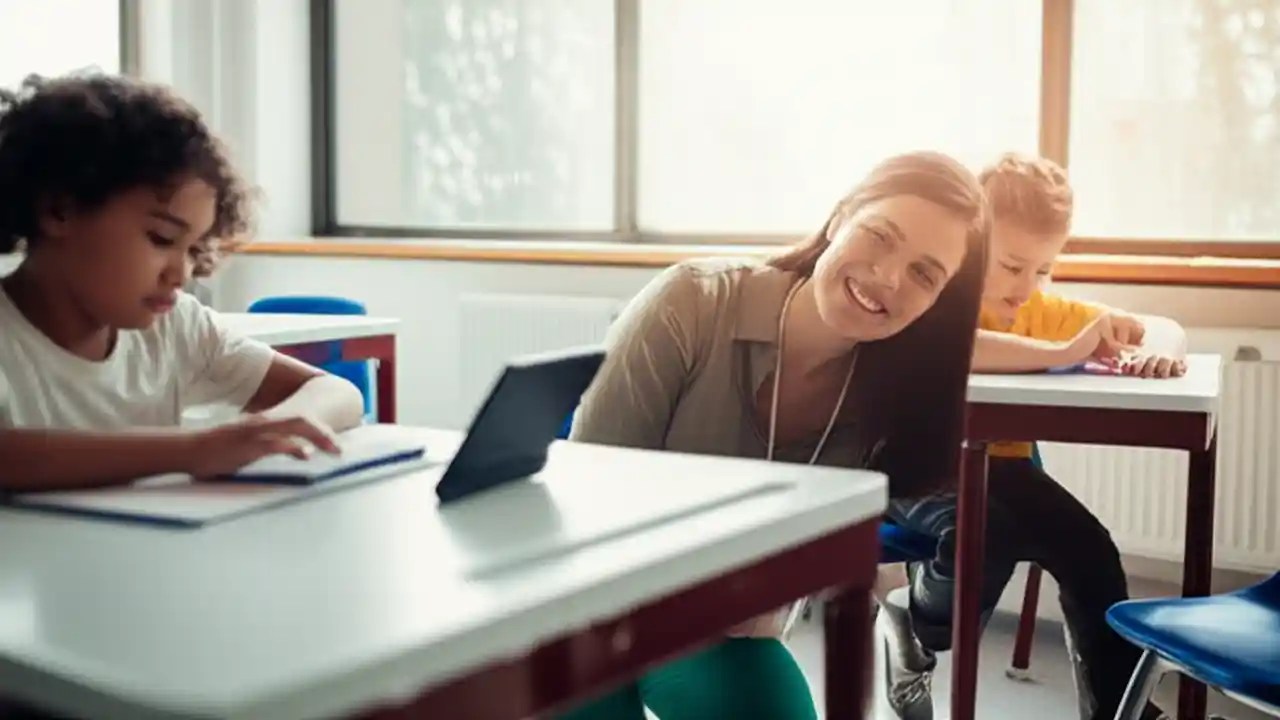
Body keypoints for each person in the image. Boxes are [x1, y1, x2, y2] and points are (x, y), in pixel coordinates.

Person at [559, 150, 994, 719]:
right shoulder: (692, 302)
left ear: (938, 303)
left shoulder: (892, 395)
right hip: (585, 600)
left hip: (719, 628)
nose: (888, 277)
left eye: (923, 274)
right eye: (880, 236)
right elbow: (586, 491)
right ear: (840, 218)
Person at [877, 153, 1189, 720]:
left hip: (1007, 470)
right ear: (969, 245)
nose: (1027, 288)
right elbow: (958, 349)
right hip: (915, 465)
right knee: (987, 530)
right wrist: (1064, 352)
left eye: (1044, 270)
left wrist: (1156, 351)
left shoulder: (1037, 311)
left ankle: (1119, 708)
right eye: (1013, 266)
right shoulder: (934, 293)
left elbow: (1161, 327)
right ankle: (915, 620)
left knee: (1089, 548)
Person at [0, 73, 365, 493]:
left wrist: (272, 426)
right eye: (162, 239)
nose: (182, 274)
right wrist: (191, 449)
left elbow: (337, 391)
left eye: (193, 250)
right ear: (59, 211)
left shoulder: (177, 328)